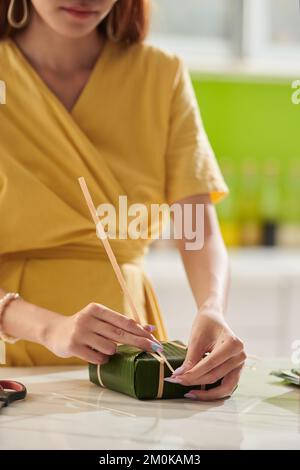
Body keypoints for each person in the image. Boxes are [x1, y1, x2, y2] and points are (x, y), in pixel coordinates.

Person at [0, 0, 246, 400]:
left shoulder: (161, 76)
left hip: (129, 364)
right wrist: (50, 328)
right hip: (15, 369)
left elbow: (195, 228)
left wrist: (212, 307)